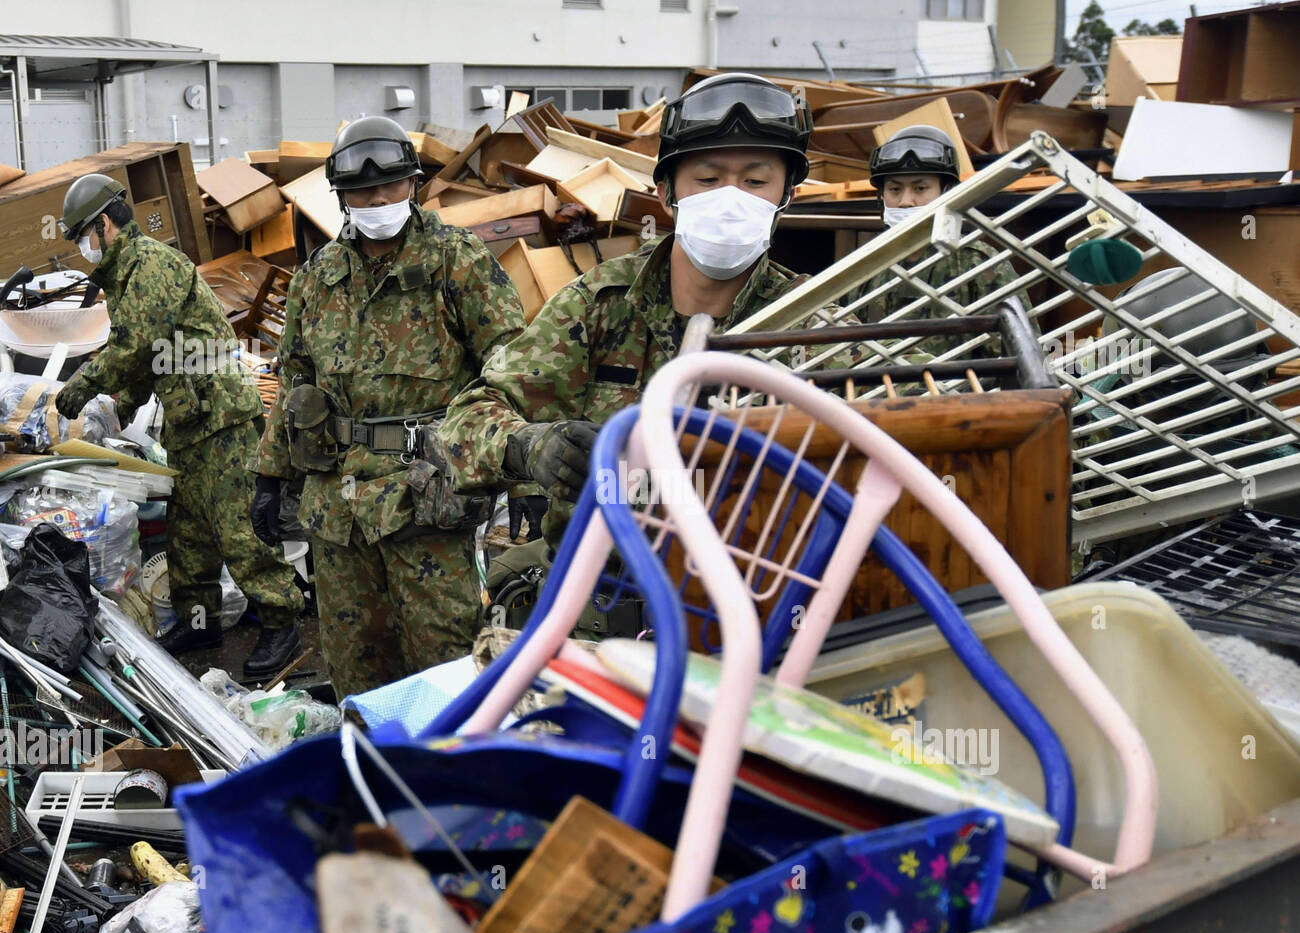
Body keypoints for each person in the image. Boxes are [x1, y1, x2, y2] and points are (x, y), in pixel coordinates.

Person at [437, 72, 857, 541]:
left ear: (786, 197)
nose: (730, 198)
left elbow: (923, 404)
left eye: (755, 181)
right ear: (667, 194)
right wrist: (533, 447)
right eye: (708, 179)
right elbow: (467, 418)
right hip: (604, 591)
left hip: (753, 594)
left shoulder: (812, 325)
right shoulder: (600, 307)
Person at [249, 116, 525, 699]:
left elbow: (512, 370)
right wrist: (269, 476)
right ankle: (371, 778)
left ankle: (451, 779)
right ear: (342, 196)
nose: (378, 199)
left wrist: (523, 472)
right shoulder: (319, 277)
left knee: (447, 667)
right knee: (358, 670)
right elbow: (296, 376)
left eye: (391, 186)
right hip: (338, 509)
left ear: (414, 184)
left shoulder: (458, 262)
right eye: (362, 191)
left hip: (424, 499)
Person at [54, 174, 304, 677]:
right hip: (189, 419)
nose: (84, 247)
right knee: (189, 534)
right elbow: (148, 361)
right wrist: (117, 410)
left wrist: (82, 388)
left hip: (223, 418)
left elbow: (135, 345)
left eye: (83, 235)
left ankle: (282, 624)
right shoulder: (125, 277)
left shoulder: (149, 265)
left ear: (104, 225)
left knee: (238, 529)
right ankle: (201, 621)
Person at [853, 124, 1029, 360]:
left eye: (920, 188)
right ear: (882, 196)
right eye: (895, 189)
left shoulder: (979, 264)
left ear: (946, 192)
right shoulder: (865, 265)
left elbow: (1020, 357)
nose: (906, 201)